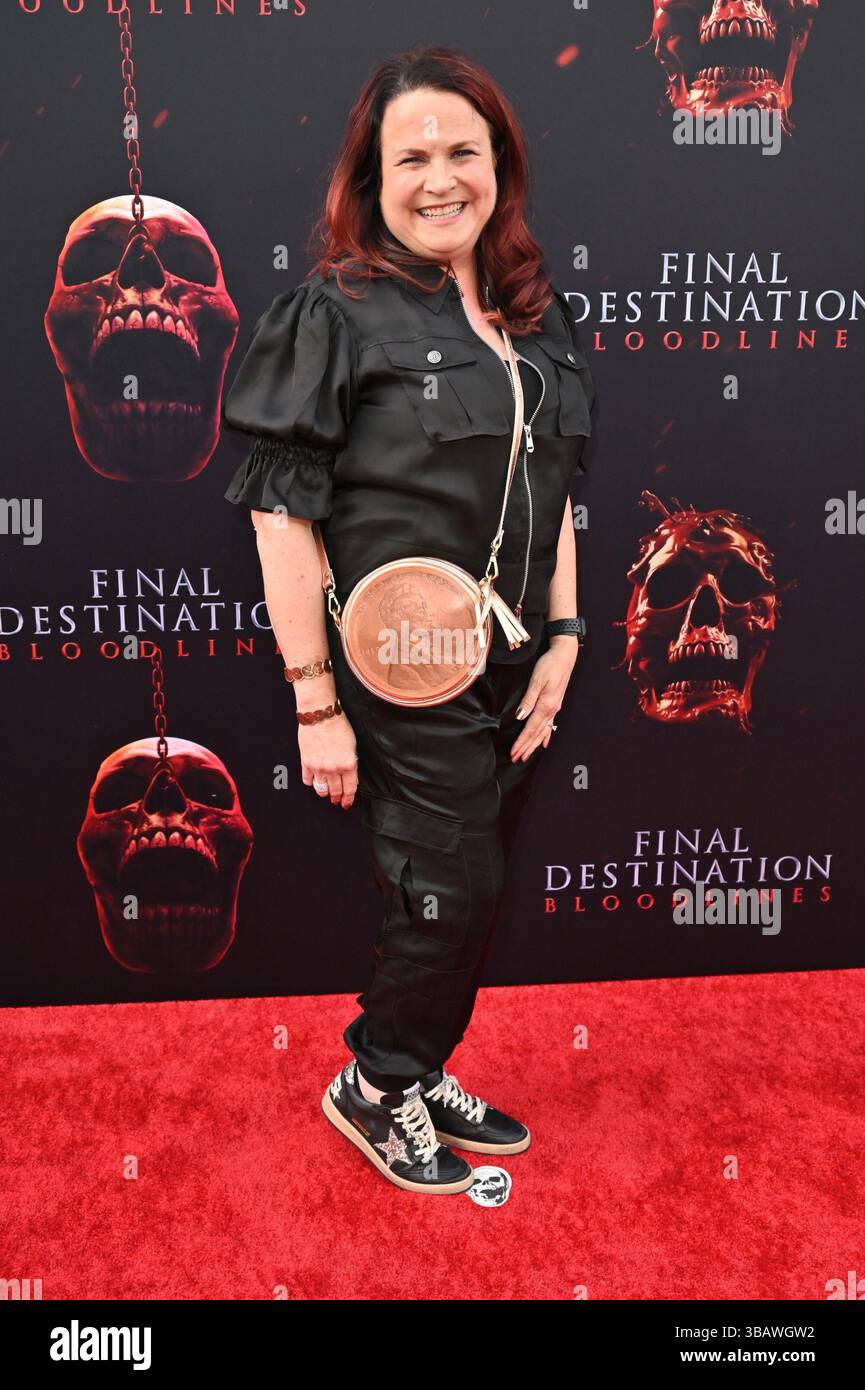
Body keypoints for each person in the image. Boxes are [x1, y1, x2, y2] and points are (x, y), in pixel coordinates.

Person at [221, 46, 597, 1195]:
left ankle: (418, 1061)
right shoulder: (333, 312)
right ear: (370, 178)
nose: (440, 178)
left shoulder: (536, 316)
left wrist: (567, 635)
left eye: (461, 152)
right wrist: (313, 699)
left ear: (500, 165)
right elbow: (282, 517)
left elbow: (558, 488)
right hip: (400, 664)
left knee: (471, 881)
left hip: (513, 662)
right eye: (411, 157)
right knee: (454, 887)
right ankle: (375, 1083)